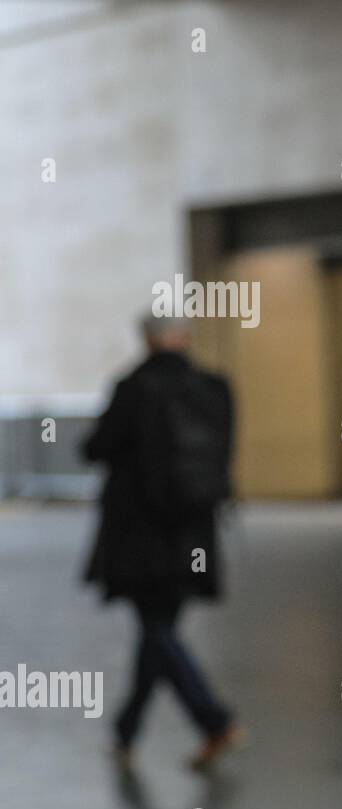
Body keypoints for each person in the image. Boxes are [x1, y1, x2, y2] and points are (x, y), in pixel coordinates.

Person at [81, 314, 244, 772]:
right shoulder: (215, 387)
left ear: (147, 341)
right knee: (158, 630)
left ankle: (214, 721)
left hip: (141, 535)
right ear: (184, 338)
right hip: (193, 531)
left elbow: (96, 447)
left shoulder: (133, 387)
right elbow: (224, 454)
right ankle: (126, 730)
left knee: (156, 629)